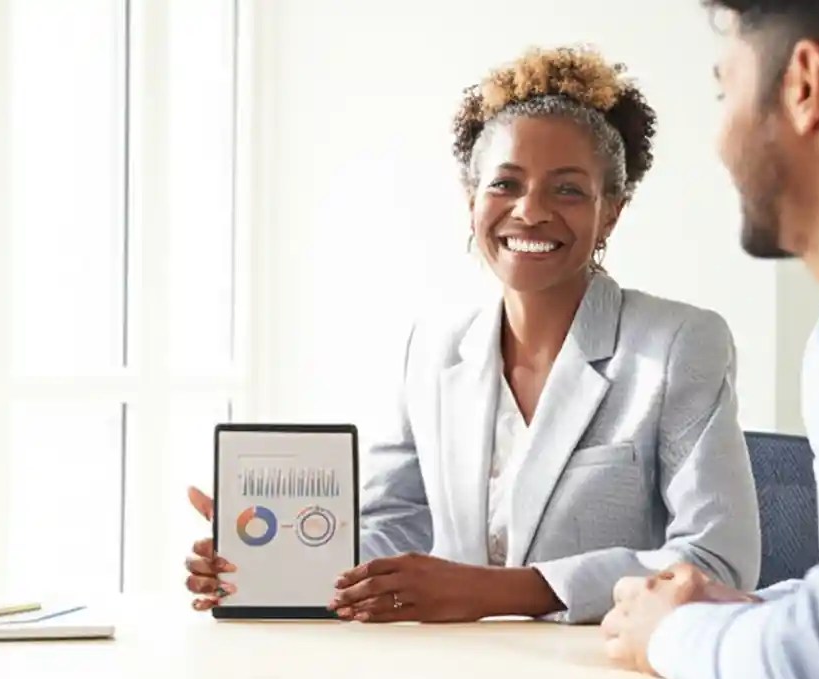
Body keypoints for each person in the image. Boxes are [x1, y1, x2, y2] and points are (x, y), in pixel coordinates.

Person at [184, 46, 761, 624]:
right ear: (472, 201)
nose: (530, 212)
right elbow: (394, 522)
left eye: (567, 190)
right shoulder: (432, 349)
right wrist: (277, 563)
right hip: (457, 673)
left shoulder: (678, 344)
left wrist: (500, 592)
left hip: (603, 677)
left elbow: (717, 561)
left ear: (609, 211)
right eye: (505, 184)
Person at [602, 2, 819, 679]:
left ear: (804, 86)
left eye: (724, 91)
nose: (719, 140)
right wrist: (751, 609)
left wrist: (672, 630)